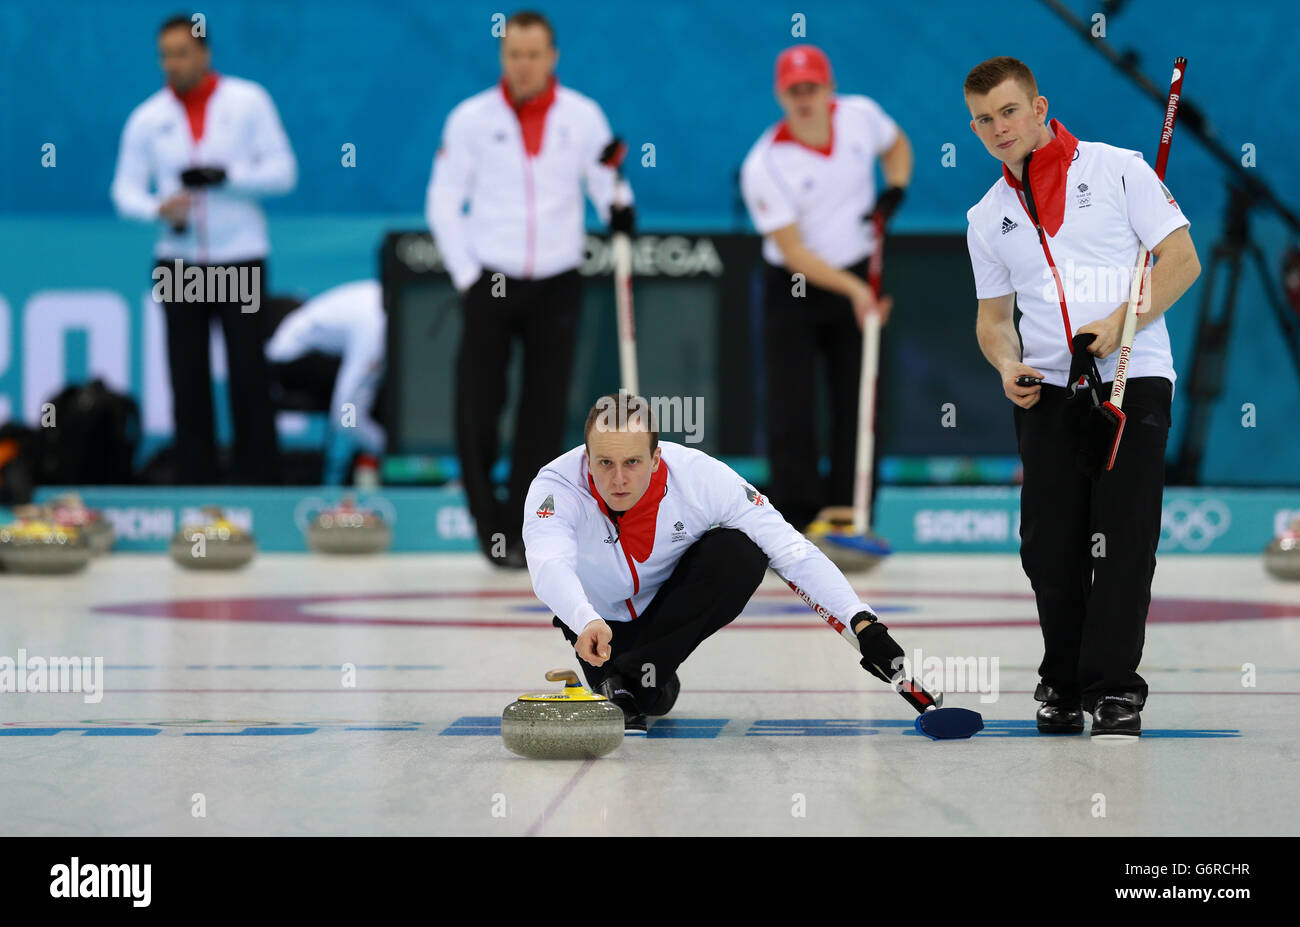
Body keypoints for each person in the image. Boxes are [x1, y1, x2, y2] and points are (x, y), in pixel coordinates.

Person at [963, 56, 1201, 736]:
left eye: (1009, 111)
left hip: (1133, 376)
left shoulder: (1121, 168)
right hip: (1049, 394)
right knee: (1050, 547)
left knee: (1123, 539)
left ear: (1039, 108)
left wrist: (1120, 323)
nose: (998, 127)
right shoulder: (986, 216)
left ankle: (1116, 688)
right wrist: (1007, 363)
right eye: (983, 119)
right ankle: (1061, 683)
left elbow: (1182, 261)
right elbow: (991, 319)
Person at [521, 392, 918, 734]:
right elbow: (548, 563)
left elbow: (790, 549)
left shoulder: (700, 477)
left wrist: (861, 621)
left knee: (741, 552)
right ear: (586, 457)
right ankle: (639, 676)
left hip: (667, 614)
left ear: (656, 458)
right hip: (597, 626)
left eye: (633, 463)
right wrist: (583, 618)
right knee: (655, 699)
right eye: (605, 463)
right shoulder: (556, 488)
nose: (619, 479)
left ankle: (636, 674)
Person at [427, 10, 633, 569]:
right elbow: (443, 202)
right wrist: (467, 275)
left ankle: (525, 526)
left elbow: (605, 178)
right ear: (503, 57)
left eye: (534, 54)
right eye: (514, 54)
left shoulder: (582, 116)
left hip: (558, 278)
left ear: (553, 56)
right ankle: (486, 523)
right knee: (478, 403)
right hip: (490, 277)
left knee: (544, 408)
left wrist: (619, 204)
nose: (523, 65)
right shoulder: (471, 118)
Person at [111, 14, 296, 484]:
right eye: (165, 55)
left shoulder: (248, 102)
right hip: (180, 260)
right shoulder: (147, 119)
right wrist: (157, 207)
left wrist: (228, 179)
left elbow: (283, 172)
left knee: (249, 375)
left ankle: (261, 484)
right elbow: (124, 192)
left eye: (181, 53)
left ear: (204, 53)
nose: (172, 64)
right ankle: (196, 484)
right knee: (187, 377)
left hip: (240, 256)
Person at [739, 44, 913, 533]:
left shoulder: (861, 116)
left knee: (858, 399)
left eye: (812, 87)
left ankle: (851, 514)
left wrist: (895, 187)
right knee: (791, 406)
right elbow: (792, 250)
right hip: (794, 287)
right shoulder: (766, 164)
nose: (805, 98)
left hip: (860, 265)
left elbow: (896, 144)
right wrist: (855, 292)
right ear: (780, 95)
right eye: (795, 90)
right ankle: (795, 522)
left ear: (829, 87)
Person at [265, 280, 386, 485]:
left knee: (372, 387)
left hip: (319, 352)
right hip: (289, 360)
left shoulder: (384, 305)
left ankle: (361, 466)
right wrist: (386, 447)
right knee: (359, 402)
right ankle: (343, 478)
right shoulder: (375, 330)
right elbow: (346, 409)